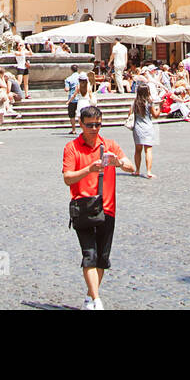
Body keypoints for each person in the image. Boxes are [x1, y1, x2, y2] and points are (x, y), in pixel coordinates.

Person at [62, 105, 136, 309]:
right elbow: (67, 178)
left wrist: (118, 163)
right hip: (83, 207)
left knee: (102, 258)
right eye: (90, 125)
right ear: (80, 124)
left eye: (98, 124)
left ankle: (90, 296)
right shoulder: (71, 148)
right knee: (89, 255)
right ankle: (97, 300)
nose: (94, 129)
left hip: (107, 208)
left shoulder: (109, 145)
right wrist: (89, 169)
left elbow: (132, 168)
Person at [125, 83, 160, 178]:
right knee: (148, 150)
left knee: (137, 150)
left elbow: (129, 115)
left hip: (137, 128)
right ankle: (148, 171)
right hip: (148, 127)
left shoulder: (134, 102)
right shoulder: (149, 102)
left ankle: (137, 170)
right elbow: (155, 115)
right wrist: (159, 107)